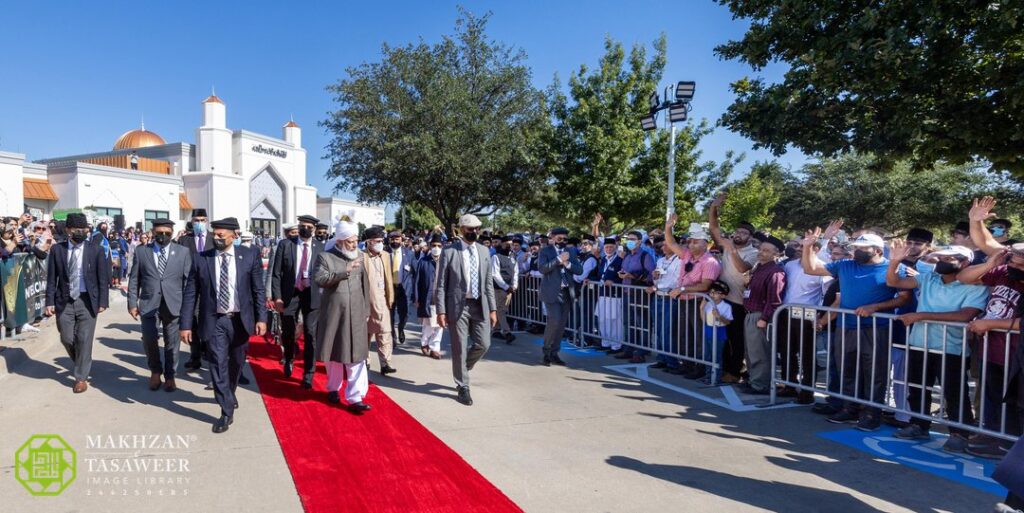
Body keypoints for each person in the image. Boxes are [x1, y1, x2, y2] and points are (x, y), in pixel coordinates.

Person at [801, 226, 911, 431]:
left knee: (875, 373)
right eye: (855, 247)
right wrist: (808, 247)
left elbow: (904, 298)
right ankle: (849, 408)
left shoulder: (893, 267)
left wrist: (875, 307)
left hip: (877, 328)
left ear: (877, 250)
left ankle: (872, 414)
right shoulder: (845, 265)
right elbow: (811, 269)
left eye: (862, 247)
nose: (856, 250)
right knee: (847, 369)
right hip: (846, 325)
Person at [885, 242, 987, 452]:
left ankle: (960, 433)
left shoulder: (977, 286)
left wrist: (921, 315)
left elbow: (966, 315)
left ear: (965, 263)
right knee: (917, 388)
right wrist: (894, 262)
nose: (941, 262)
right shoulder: (929, 277)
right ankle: (918, 424)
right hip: (919, 342)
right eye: (940, 258)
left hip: (951, 347)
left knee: (954, 392)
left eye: (949, 259)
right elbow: (894, 281)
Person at [180, 217, 267, 433]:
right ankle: (226, 410)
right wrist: (185, 324)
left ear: (234, 236)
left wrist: (262, 318)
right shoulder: (201, 258)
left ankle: (229, 393)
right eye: (214, 234)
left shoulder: (249, 255)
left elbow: (258, 289)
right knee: (217, 364)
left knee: (236, 363)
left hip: (240, 320)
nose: (217, 238)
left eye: (221, 235)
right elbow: (191, 293)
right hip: (214, 321)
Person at [434, 214, 497, 406]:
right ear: (461, 229)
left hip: (480, 304)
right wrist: (441, 311)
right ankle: (463, 386)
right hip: (457, 306)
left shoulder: (484, 251)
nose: (474, 232)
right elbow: (441, 284)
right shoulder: (449, 251)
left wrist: (493, 309)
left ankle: (463, 368)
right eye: (470, 229)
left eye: (477, 229)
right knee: (460, 347)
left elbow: (488, 283)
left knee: (484, 344)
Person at [45, 213, 111, 393]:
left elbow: (102, 278)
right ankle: (82, 361)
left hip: (88, 300)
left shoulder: (95, 250)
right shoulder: (57, 250)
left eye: (84, 229)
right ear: (68, 230)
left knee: (84, 338)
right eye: (76, 229)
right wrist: (49, 301)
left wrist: (103, 301)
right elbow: (52, 278)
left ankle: (80, 377)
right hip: (64, 300)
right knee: (66, 337)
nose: (80, 232)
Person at [314, 216, 372, 414]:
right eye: (350, 241)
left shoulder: (360, 256)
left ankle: (355, 398)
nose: (354, 244)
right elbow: (320, 279)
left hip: (356, 313)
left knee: (357, 356)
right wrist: (344, 271)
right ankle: (333, 388)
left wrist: (366, 311)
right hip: (334, 315)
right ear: (339, 241)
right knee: (334, 355)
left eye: (356, 241)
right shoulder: (325, 257)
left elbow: (365, 285)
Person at [128, 219, 191, 392]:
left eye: (167, 233)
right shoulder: (142, 251)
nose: (163, 236)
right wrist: (132, 302)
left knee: (172, 342)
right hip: (149, 303)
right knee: (149, 339)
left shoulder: (183, 252)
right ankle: (155, 371)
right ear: (153, 233)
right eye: (159, 233)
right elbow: (134, 279)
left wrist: (188, 307)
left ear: (172, 233)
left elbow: (188, 282)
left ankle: (170, 376)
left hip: (174, 304)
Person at [708, 194, 759, 383]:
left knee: (736, 339)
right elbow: (714, 229)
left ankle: (735, 371)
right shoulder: (728, 244)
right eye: (737, 231)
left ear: (750, 237)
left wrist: (732, 250)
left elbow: (743, 268)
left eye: (743, 233)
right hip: (722, 298)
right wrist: (714, 208)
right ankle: (725, 368)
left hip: (738, 302)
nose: (738, 234)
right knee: (723, 337)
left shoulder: (754, 252)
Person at [270, 215, 324, 388]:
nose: (305, 229)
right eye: (302, 226)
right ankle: (289, 358)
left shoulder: (320, 247)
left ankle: (309, 373)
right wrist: (277, 297)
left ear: (314, 229)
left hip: (311, 294)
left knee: (310, 333)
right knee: (288, 331)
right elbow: (276, 273)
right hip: (290, 294)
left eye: (309, 227)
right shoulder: (286, 245)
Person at [665, 217, 722, 378]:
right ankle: (687, 364)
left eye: (696, 242)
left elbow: (705, 285)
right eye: (690, 241)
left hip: (698, 302)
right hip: (684, 300)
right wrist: (668, 228)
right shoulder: (687, 255)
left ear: (706, 244)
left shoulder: (710, 261)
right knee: (684, 335)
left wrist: (682, 289)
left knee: (698, 336)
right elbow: (671, 243)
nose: (691, 244)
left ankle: (699, 368)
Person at [735, 234, 786, 394]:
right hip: (750, 313)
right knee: (750, 351)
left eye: (766, 250)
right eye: (761, 249)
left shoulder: (775, 272)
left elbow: (774, 300)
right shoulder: (759, 268)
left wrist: (764, 318)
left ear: (776, 254)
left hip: (760, 316)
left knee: (760, 353)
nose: (761, 252)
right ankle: (753, 380)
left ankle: (760, 384)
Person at [778, 238, 827, 404]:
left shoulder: (822, 268)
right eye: (799, 246)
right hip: (786, 312)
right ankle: (789, 385)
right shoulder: (790, 265)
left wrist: (820, 317)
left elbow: (825, 295)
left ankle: (807, 391)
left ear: (816, 249)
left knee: (806, 354)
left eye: (805, 246)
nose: (800, 249)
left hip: (807, 315)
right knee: (787, 351)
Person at [538, 227, 584, 366]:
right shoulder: (545, 251)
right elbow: (542, 268)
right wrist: (558, 259)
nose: (562, 241)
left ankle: (554, 353)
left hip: (566, 292)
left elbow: (579, 270)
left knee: (561, 324)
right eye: (559, 238)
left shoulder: (571, 251)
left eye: (565, 239)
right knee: (554, 321)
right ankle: (546, 352)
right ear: (552, 237)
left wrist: (567, 263)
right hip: (551, 292)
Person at [178, 208, 213, 373]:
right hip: (190, 285)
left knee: (207, 319)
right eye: (196, 220)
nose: (199, 223)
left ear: (207, 221)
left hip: (210, 285)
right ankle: (195, 356)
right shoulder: (184, 240)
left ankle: (208, 351)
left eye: (202, 220)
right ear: (192, 222)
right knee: (192, 320)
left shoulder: (214, 238)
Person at [363, 226, 397, 375]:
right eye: (377, 241)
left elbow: (388, 277)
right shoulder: (361, 256)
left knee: (385, 332)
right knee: (365, 333)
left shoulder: (386, 255)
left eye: (382, 241)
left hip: (382, 300)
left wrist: (390, 297)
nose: (380, 244)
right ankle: (365, 361)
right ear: (369, 242)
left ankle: (385, 363)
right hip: (366, 301)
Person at [415, 234, 445, 358]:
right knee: (429, 325)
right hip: (427, 299)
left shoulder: (446, 262)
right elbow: (417, 281)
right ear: (430, 246)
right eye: (434, 245)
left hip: (442, 300)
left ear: (442, 247)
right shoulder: (423, 261)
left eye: (439, 246)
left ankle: (435, 349)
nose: (436, 248)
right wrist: (417, 298)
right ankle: (424, 343)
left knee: (440, 325)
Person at [700, 280, 733, 384]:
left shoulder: (726, 306)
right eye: (711, 292)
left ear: (723, 295)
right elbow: (704, 319)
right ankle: (708, 376)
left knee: (717, 356)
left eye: (716, 292)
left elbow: (728, 322)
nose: (712, 294)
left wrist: (719, 316)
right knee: (708, 355)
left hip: (719, 333)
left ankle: (716, 377)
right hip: (708, 331)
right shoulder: (709, 304)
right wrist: (701, 308)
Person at [387, 230, 416, 346]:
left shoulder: (409, 254)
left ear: (401, 240)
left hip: (404, 289)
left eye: (397, 239)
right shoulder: (385, 253)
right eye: (392, 239)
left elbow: (415, 272)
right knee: (390, 315)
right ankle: (392, 336)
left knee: (404, 314)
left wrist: (415, 292)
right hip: (390, 289)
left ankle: (401, 328)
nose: (395, 241)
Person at [491, 236, 519, 343]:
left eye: (510, 244)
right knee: (501, 310)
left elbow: (516, 272)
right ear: (502, 244)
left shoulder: (513, 257)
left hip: (509, 289)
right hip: (499, 288)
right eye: (506, 243)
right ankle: (507, 332)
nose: (509, 246)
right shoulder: (496, 257)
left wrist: (514, 286)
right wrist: (506, 287)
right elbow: (495, 274)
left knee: (502, 309)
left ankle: (496, 330)